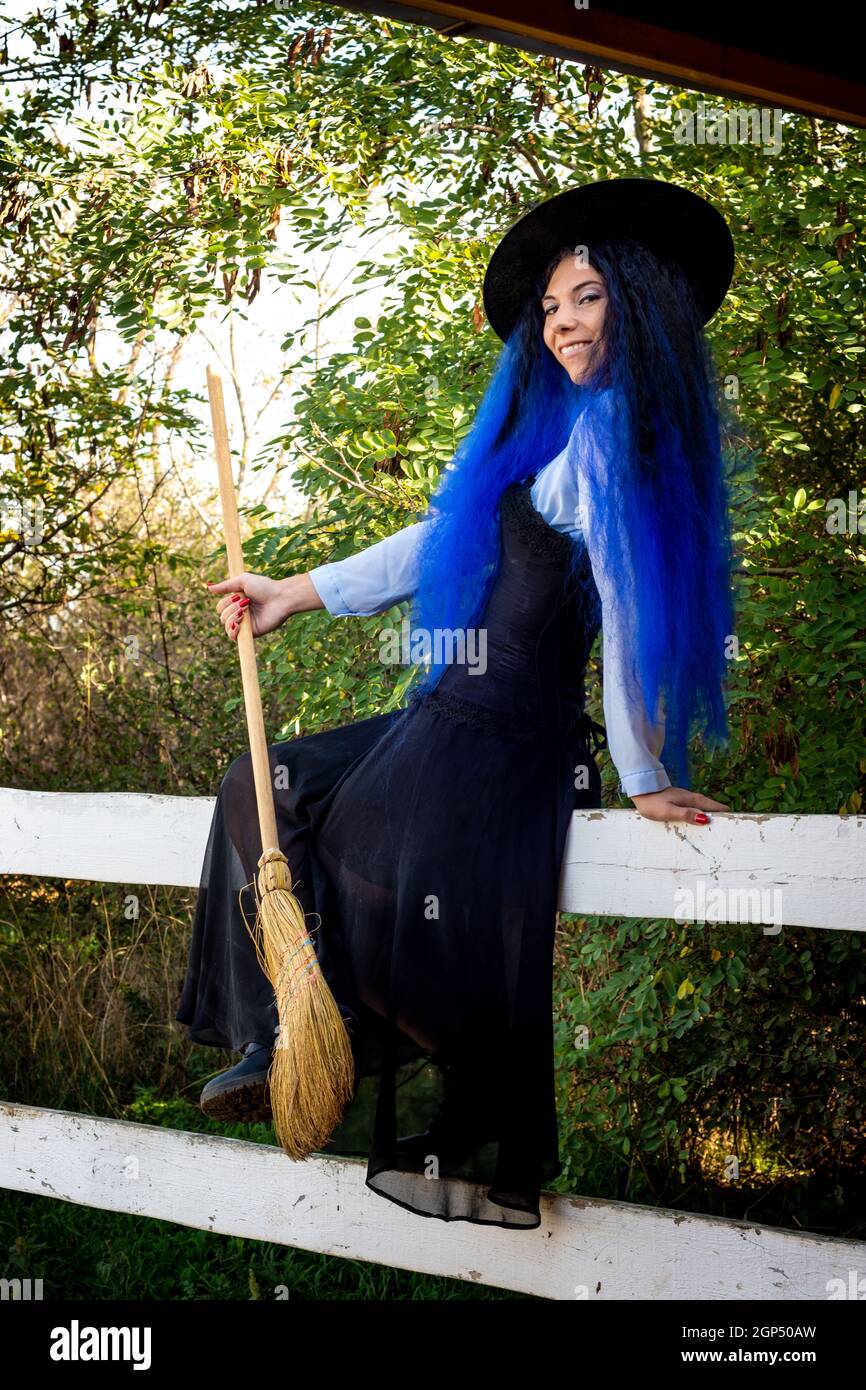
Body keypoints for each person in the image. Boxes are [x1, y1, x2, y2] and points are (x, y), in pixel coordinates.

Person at [177, 177, 736, 1230]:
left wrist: (644, 773)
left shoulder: (618, 441)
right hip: (450, 709)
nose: (562, 325)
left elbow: (624, 614)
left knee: (355, 857)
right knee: (264, 781)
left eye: (584, 300)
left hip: (504, 734)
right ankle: (289, 1027)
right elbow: (440, 542)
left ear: (637, 301)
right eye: (550, 310)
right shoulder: (555, 429)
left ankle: (451, 1067)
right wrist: (290, 592)